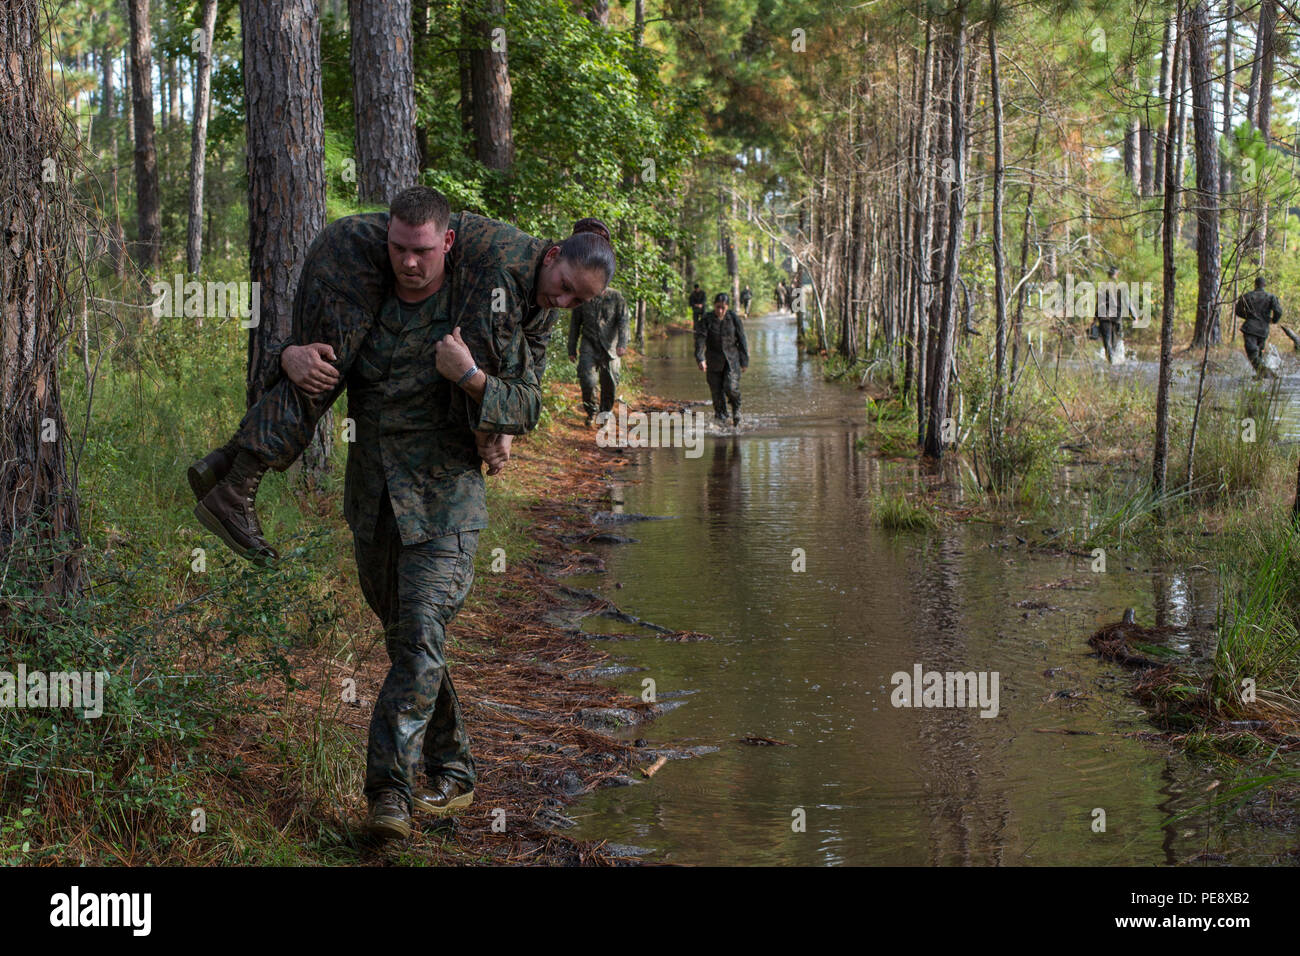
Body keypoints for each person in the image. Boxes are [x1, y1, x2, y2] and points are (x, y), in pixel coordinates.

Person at [189, 191, 611, 563]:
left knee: (323, 368)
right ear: (553, 255)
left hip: (376, 257)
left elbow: (526, 368)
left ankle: (223, 464)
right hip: (348, 256)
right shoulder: (504, 271)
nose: (563, 299)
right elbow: (475, 359)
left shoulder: (541, 292)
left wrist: (505, 431)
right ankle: (235, 491)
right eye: (565, 285)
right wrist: (487, 429)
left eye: (579, 299)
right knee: (324, 368)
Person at [568, 287, 629, 427]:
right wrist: (571, 348)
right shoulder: (583, 295)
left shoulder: (616, 297)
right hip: (589, 344)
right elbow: (575, 324)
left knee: (610, 383)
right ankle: (591, 412)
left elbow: (623, 321)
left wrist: (622, 343)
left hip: (610, 347)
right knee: (587, 380)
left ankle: (605, 415)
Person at [695, 292, 748, 426]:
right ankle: (721, 419)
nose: (720, 310)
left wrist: (744, 360)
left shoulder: (733, 318)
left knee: (731, 387)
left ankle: (736, 410)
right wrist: (700, 358)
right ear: (714, 306)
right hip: (713, 360)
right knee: (716, 392)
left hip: (732, 360)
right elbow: (700, 339)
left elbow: (742, 339)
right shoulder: (707, 319)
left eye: (722, 308)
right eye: (717, 307)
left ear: (727, 307)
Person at [1235, 275, 1283, 376]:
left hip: (1250, 328)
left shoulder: (1247, 296)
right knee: (1258, 352)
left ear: (1255, 285)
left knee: (1252, 352)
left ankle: (1266, 373)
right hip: (1263, 329)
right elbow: (1278, 311)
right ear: (1264, 285)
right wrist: (1273, 320)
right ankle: (1261, 375)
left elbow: (1238, 311)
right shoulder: (1271, 297)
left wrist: (1248, 317)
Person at [1095, 266, 1129, 364]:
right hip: (1116, 317)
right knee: (1115, 340)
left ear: (1108, 275)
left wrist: (1095, 318)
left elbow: (1098, 303)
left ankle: (1111, 361)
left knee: (1107, 341)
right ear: (1116, 275)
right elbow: (1126, 302)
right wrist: (1133, 316)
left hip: (1104, 317)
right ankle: (1114, 361)